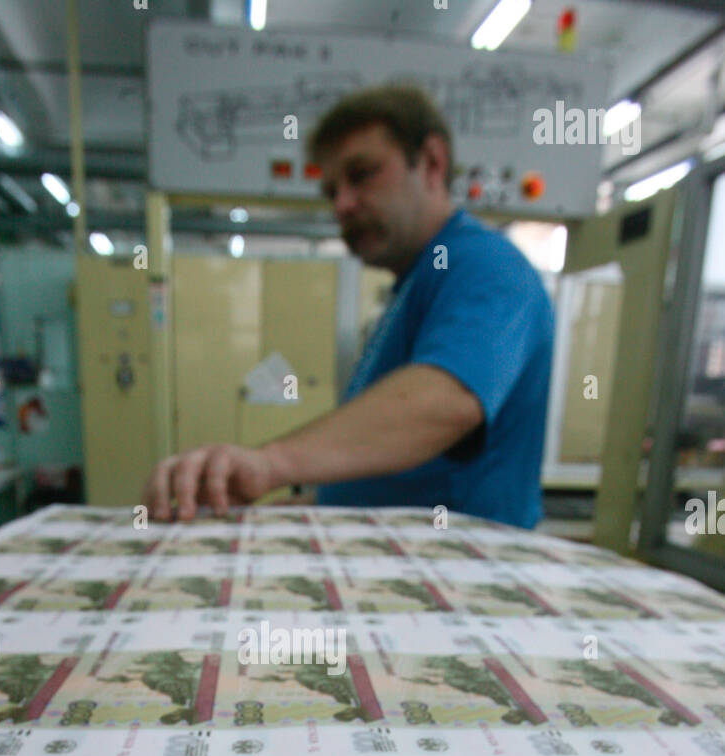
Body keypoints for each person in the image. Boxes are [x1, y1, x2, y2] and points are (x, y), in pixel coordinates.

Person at [145, 84, 555, 529]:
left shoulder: (488, 266)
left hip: (458, 574)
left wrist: (270, 463)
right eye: (332, 190)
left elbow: (445, 401)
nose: (342, 204)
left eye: (362, 175)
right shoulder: (415, 284)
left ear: (432, 162)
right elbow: (403, 473)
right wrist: (317, 508)